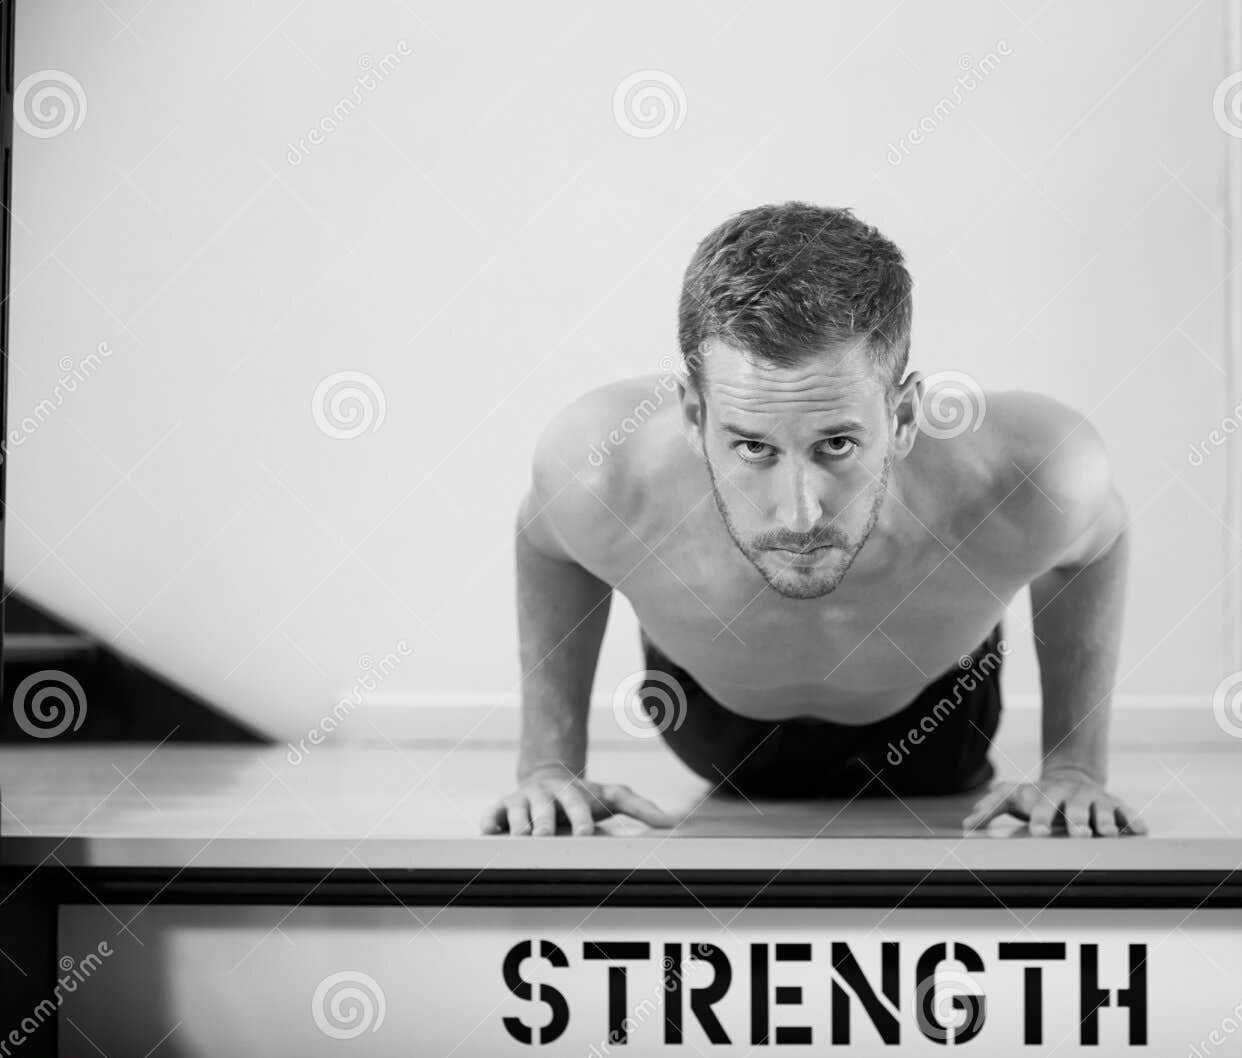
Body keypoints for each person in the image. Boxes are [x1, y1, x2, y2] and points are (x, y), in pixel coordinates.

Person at [482, 201, 1145, 838]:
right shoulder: (600, 465)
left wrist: (1073, 766)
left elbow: (1096, 540)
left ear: (904, 416)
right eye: (753, 447)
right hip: (713, 728)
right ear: (693, 416)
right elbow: (549, 544)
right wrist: (550, 767)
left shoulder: (1035, 471)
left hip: (937, 729)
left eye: (836, 444)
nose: (800, 512)